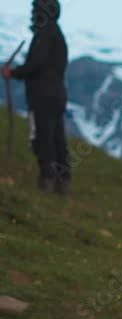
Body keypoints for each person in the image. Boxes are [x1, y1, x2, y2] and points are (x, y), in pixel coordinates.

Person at [2, 0, 69, 194]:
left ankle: (47, 179)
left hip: (43, 95)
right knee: (57, 138)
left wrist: (13, 73)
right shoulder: (58, 35)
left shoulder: (44, 34)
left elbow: (36, 63)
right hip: (57, 95)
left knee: (43, 137)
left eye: (34, 10)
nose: (32, 15)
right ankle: (61, 181)